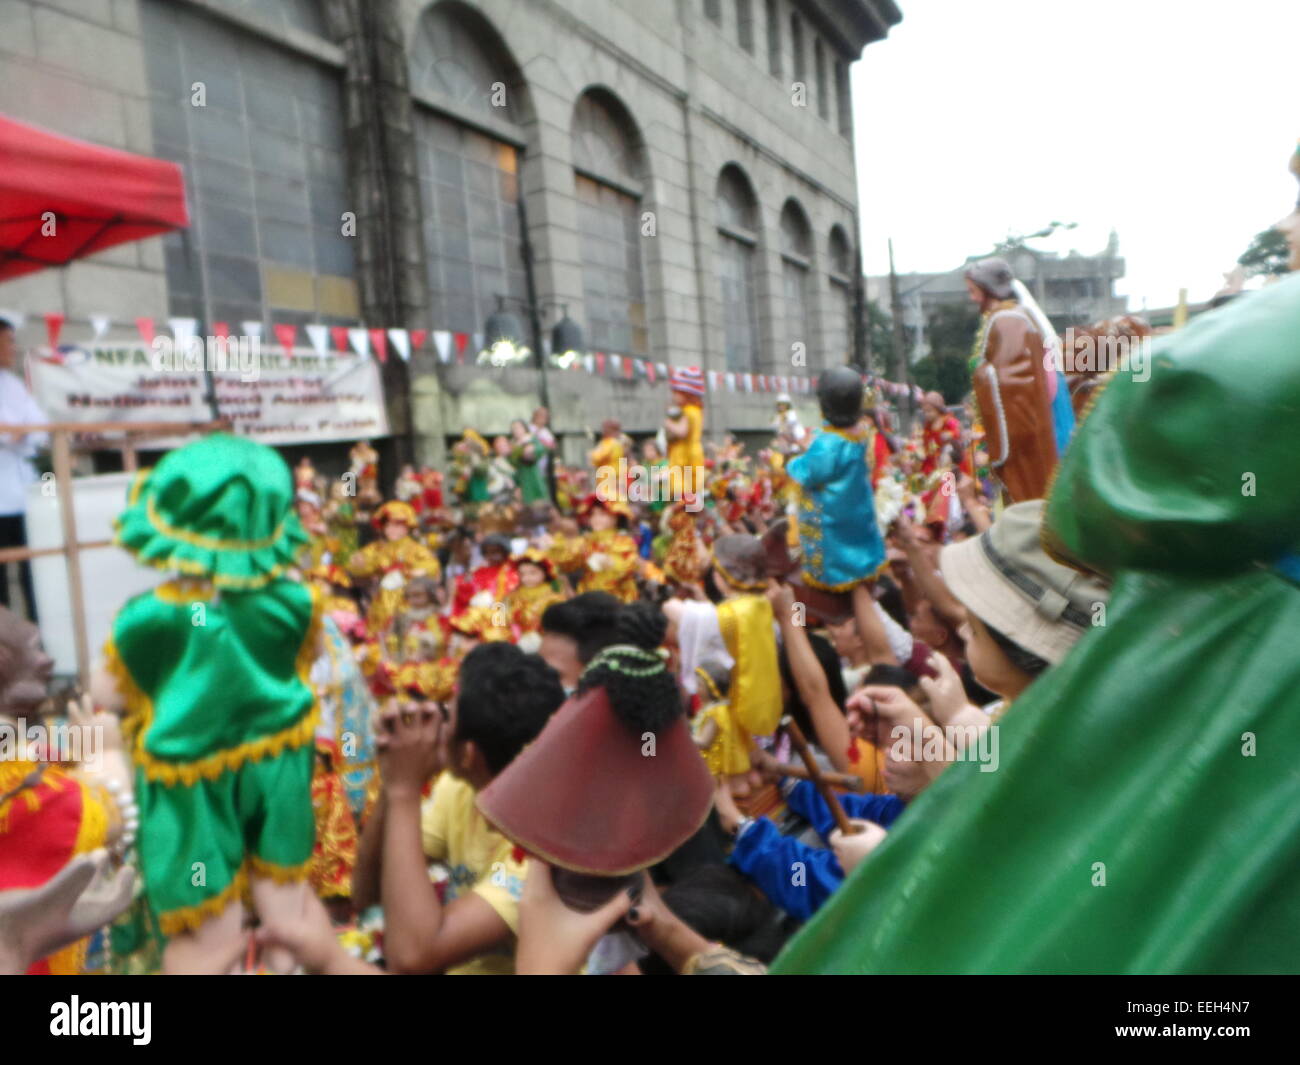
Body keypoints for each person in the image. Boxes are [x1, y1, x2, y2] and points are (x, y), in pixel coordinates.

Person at [90, 434, 321, 974]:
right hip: (278, 763)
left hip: (186, 781)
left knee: (206, 934)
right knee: (286, 908)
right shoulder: (295, 602)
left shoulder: (150, 617)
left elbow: (105, 694)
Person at [964, 256, 1075, 503]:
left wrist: (982, 374)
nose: (972, 298)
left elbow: (1014, 382)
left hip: (1025, 439)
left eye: (973, 291)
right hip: (1022, 432)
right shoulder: (1005, 318)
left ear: (987, 288)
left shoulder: (1008, 321)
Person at [0, 317, 47, 620]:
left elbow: (40, 429)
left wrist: (17, 434)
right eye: (8, 341)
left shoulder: (14, 384)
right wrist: (13, 433)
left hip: (23, 496)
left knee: (35, 571)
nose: (13, 348)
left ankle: (37, 643)